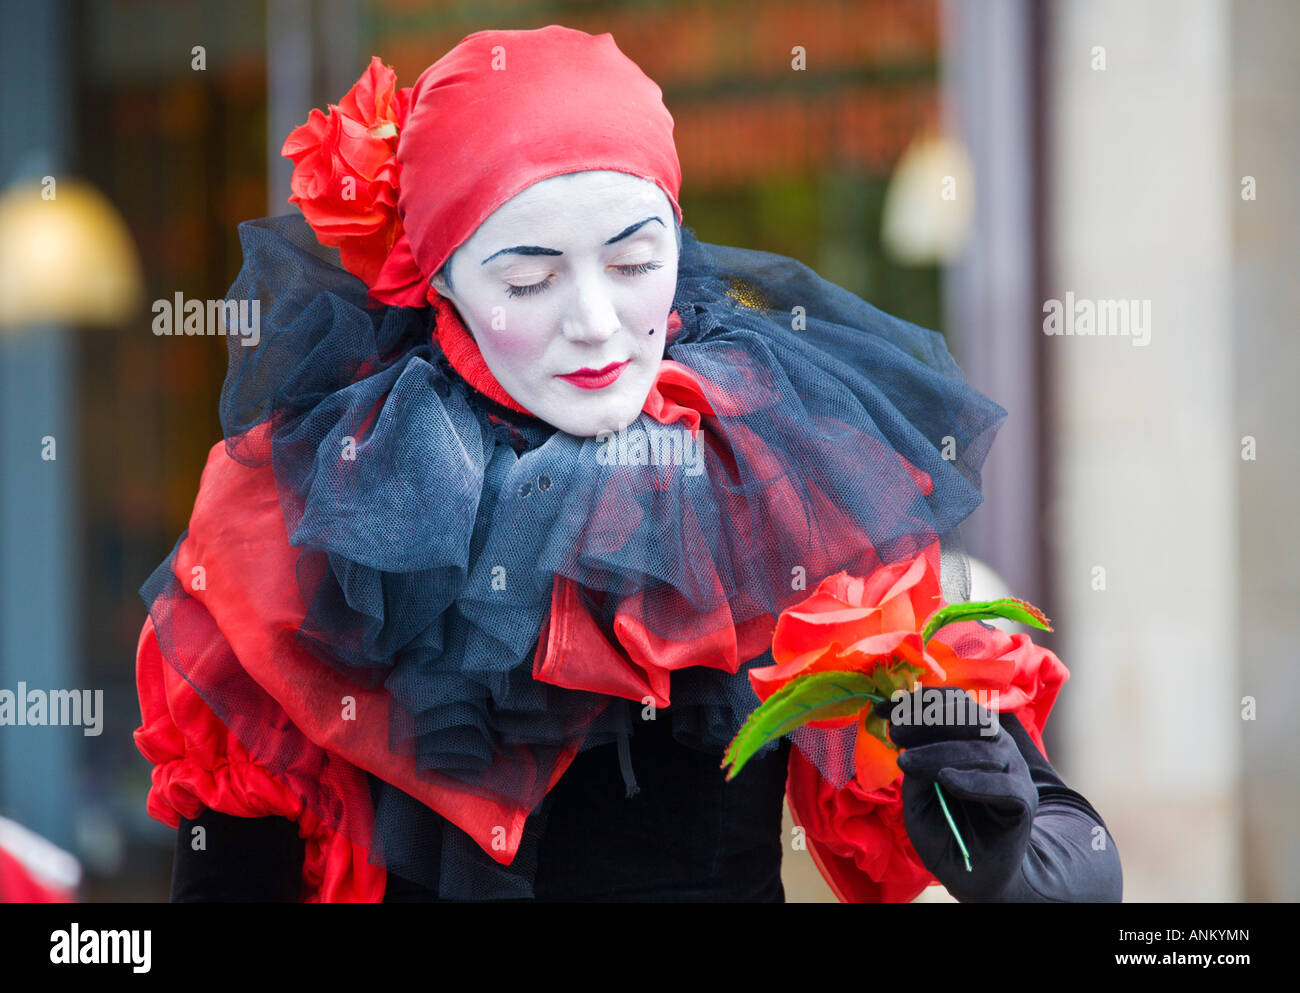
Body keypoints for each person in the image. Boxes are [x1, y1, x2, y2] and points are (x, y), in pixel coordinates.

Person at [135, 25, 1122, 903]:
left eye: (634, 260)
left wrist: (988, 845)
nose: (598, 323)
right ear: (436, 284)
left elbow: (1070, 863)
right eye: (529, 277)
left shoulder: (772, 478)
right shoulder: (332, 507)